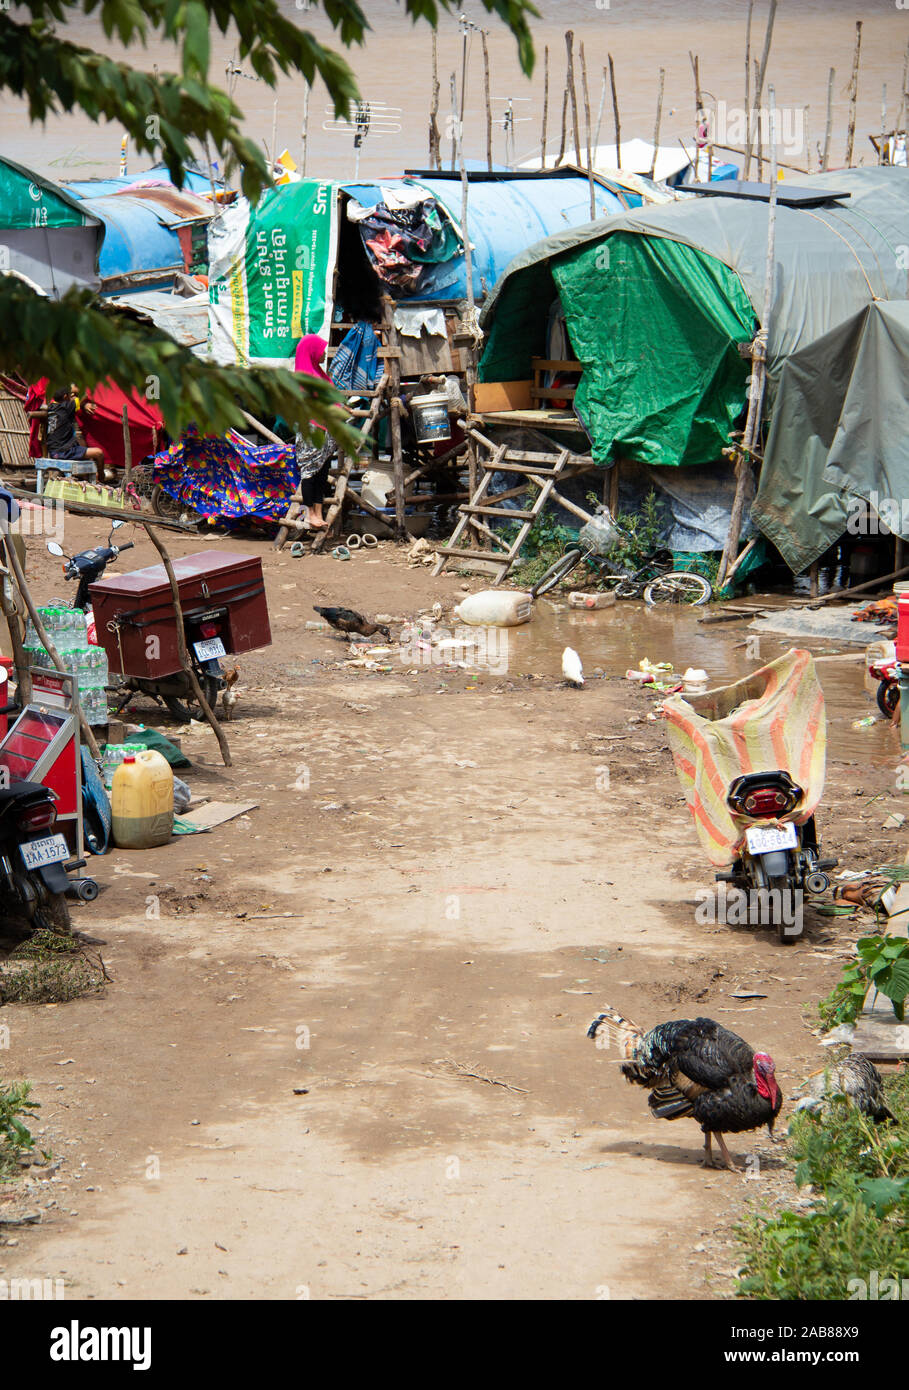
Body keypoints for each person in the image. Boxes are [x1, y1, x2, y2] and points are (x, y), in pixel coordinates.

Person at [293, 334, 336, 529]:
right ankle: (310, 514)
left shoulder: (318, 374)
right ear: (311, 352)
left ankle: (318, 512)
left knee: (322, 471)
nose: (324, 354)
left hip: (326, 431)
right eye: (321, 350)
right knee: (310, 471)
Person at [30, 385, 107, 483]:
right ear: (66, 396)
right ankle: (102, 477)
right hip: (65, 451)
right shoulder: (66, 407)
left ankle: (91, 479)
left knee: (87, 455)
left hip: (54, 451)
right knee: (99, 453)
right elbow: (85, 394)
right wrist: (76, 390)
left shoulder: (51, 407)